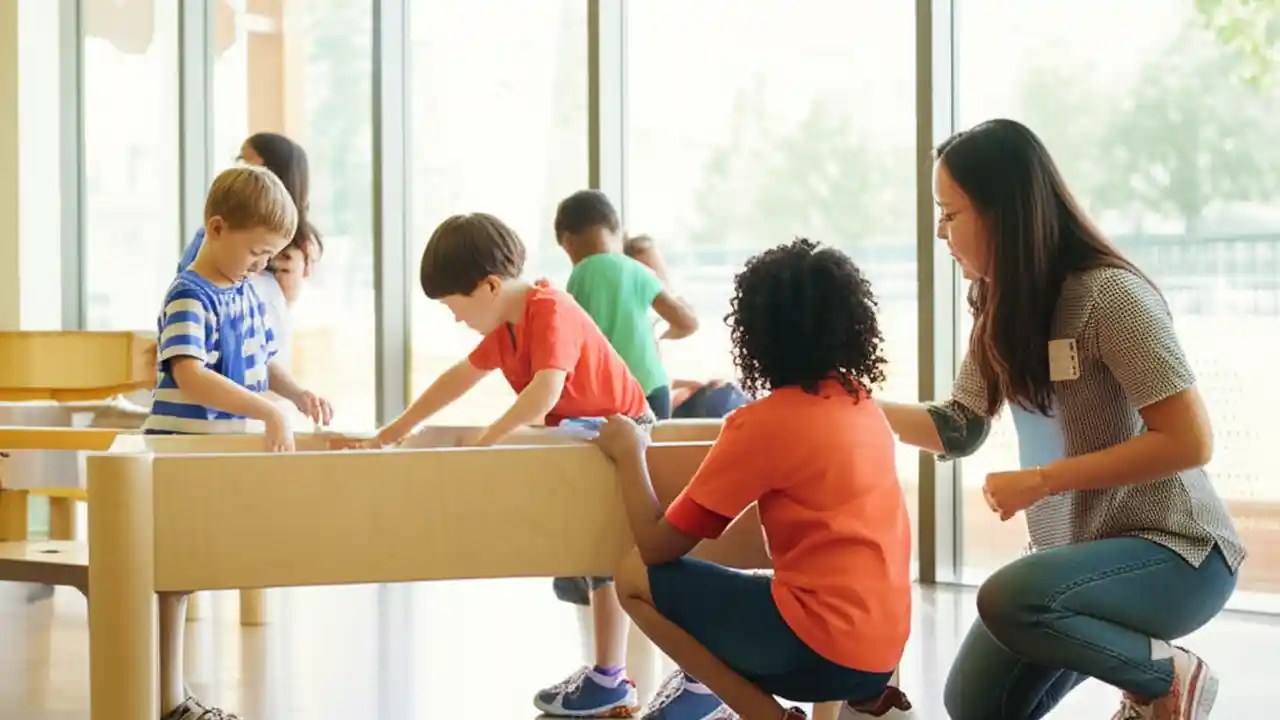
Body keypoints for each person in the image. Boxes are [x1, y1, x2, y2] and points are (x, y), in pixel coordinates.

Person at [877, 119, 1244, 720]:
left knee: (1010, 597)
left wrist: (1044, 480)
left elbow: (1190, 439)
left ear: (1002, 213)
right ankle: (1154, 687)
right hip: (1078, 561)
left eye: (950, 213)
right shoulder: (1001, 305)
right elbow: (958, 426)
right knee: (973, 705)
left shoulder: (1111, 297)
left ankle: (1165, 680)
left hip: (1178, 554)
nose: (941, 233)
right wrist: (855, 407)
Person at [330, 212, 655, 717]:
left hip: (621, 431)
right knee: (595, 560)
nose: (455, 318)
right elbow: (459, 379)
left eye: (454, 306)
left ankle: (611, 675)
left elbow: (545, 391)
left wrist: (489, 440)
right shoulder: (509, 326)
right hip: (583, 433)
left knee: (603, 554)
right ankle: (607, 672)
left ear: (488, 286)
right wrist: (392, 433)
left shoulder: (550, 310)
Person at [596, 239, 914, 720]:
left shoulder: (762, 424)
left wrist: (629, 452)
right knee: (778, 590)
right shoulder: (862, 405)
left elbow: (658, 548)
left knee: (633, 576)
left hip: (819, 651)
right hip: (883, 652)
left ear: (757, 333)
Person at [147, 165, 334, 720]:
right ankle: (168, 696)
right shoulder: (190, 293)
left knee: (196, 568)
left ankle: (174, 696)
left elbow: (264, 358)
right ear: (218, 228)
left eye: (273, 257)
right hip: (183, 454)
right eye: (257, 253)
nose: (262, 267)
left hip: (222, 453)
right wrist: (265, 409)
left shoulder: (247, 292)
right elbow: (189, 372)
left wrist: (295, 393)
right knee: (171, 577)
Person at [179, 132, 324, 369]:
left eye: (247, 161)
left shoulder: (296, 248)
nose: (240, 170)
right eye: (256, 253)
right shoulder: (203, 267)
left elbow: (268, 343)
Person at [557, 190, 699, 420]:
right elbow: (688, 323)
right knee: (654, 454)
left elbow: (569, 341)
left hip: (608, 394)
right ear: (616, 232)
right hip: (653, 387)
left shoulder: (580, 275)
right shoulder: (638, 270)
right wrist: (663, 336)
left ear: (567, 243)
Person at [623, 234, 749, 420]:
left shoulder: (669, 307)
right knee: (724, 402)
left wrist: (696, 383)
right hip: (670, 400)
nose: (656, 272)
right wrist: (691, 384)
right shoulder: (641, 317)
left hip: (681, 393)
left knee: (729, 396)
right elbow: (651, 378)